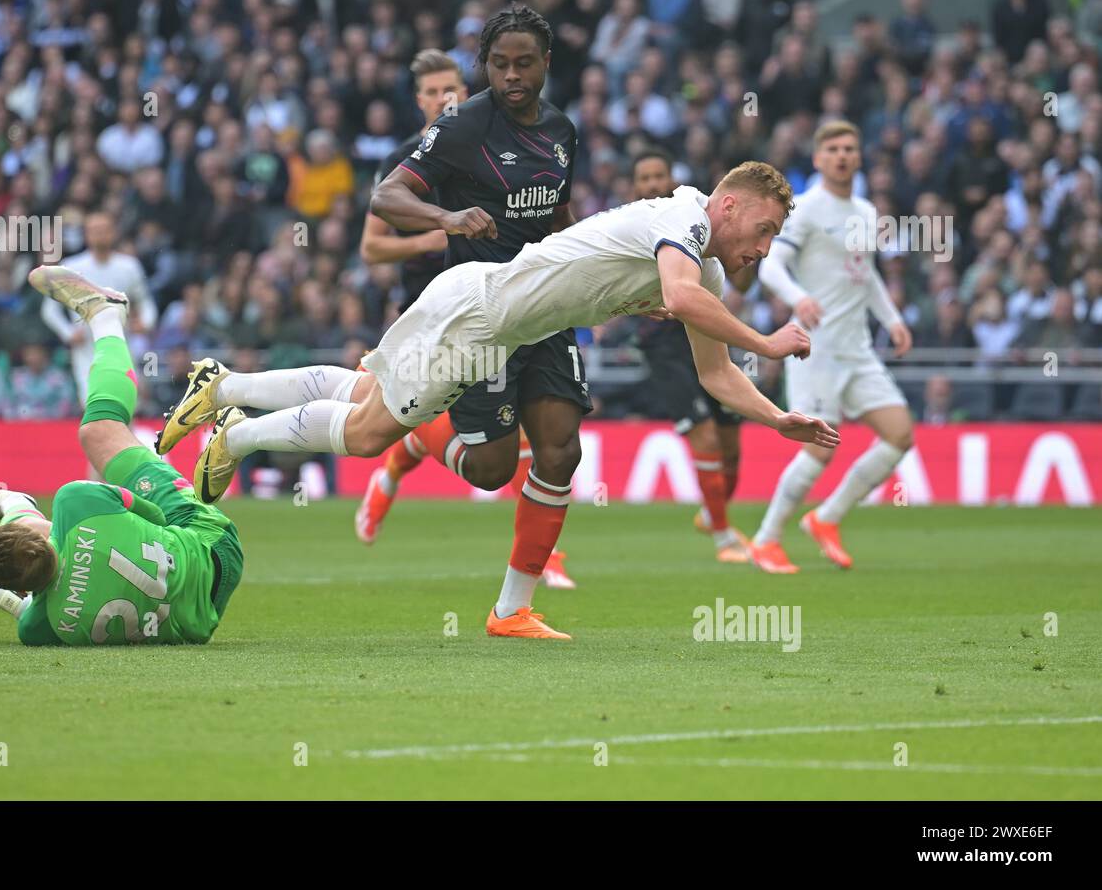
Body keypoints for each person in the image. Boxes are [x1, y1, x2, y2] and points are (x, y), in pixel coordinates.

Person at [158, 161, 836, 639]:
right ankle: (237, 435)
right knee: (368, 433)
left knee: (366, 393)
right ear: (729, 206)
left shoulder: (700, 264)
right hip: (478, 320)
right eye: (766, 227)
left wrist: (779, 418)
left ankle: (226, 389)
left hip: (488, 314)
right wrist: (771, 344)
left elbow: (716, 374)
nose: (765, 245)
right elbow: (685, 299)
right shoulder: (683, 219)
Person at [359, 6, 584, 594]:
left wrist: (608, 278)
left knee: (560, 451)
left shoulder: (562, 131)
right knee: (492, 470)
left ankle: (513, 608)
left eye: (524, 64)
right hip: (481, 318)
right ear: (485, 65)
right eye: (500, 64)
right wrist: (447, 217)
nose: (512, 75)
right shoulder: (462, 126)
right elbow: (386, 196)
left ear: (545, 64)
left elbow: (561, 216)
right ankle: (417, 433)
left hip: (548, 310)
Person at [0, 265, 242, 646]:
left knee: (63, 532)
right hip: (211, 544)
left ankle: (7, 502)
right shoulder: (73, 502)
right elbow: (155, 516)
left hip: (200, 619)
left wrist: (11, 602)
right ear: (44, 541)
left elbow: (34, 609)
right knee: (97, 431)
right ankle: (106, 315)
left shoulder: (37, 627)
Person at [749, 122, 915, 574]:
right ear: (819, 158)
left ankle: (826, 518)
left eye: (850, 149)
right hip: (815, 348)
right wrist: (798, 297)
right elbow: (771, 267)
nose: (842, 155)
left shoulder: (865, 210)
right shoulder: (804, 209)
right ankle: (765, 540)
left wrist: (893, 320)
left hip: (857, 349)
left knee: (900, 433)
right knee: (820, 449)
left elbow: (866, 273)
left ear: (858, 157)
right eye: (833, 149)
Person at [627, 151, 758, 562]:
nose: (650, 183)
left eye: (657, 175)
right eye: (643, 177)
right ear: (635, 187)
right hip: (663, 345)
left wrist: (753, 246)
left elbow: (742, 281)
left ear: (671, 179)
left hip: (705, 334)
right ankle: (723, 538)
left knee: (731, 447)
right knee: (703, 436)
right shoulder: (635, 225)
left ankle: (713, 514)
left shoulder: (696, 223)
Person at [40, 211, 158, 404]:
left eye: (104, 230)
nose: (100, 235)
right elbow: (49, 310)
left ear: (114, 233)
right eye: (94, 230)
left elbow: (145, 302)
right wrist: (68, 333)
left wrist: (146, 322)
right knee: (94, 410)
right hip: (87, 352)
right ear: (86, 235)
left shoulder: (129, 266)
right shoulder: (71, 267)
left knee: (126, 407)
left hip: (122, 348)